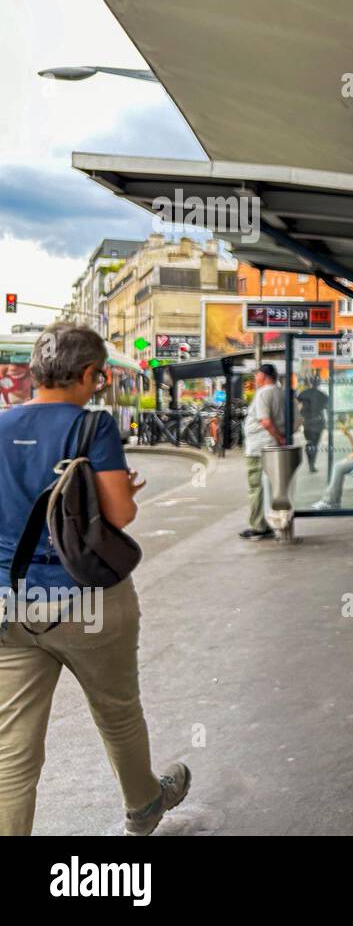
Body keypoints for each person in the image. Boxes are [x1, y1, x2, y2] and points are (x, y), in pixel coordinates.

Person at [0, 323, 190, 835]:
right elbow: (119, 515)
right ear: (88, 374)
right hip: (86, 601)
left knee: (12, 752)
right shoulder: (92, 427)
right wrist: (122, 488)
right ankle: (144, 805)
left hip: (9, 605)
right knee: (117, 712)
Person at [241, 362, 285, 540]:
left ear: (264, 376)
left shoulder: (264, 393)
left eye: (257, 374)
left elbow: (265, 421)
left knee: (255, 487)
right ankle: (271, 521)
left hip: (259, 447)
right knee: (269, 486)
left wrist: (278, 437)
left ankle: (259, 525)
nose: (255, 378)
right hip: (270, 445)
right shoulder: (279, 392)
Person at [295, 374, 328, 473]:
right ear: (318, 383)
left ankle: (310, 463)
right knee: (315, 444)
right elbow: (327, 407)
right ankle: (312, 463)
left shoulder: (303, 393)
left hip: (308, 422)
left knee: (310, 443)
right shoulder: (323, 395)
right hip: (318, 422)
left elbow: (297, 405)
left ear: (310, 382)